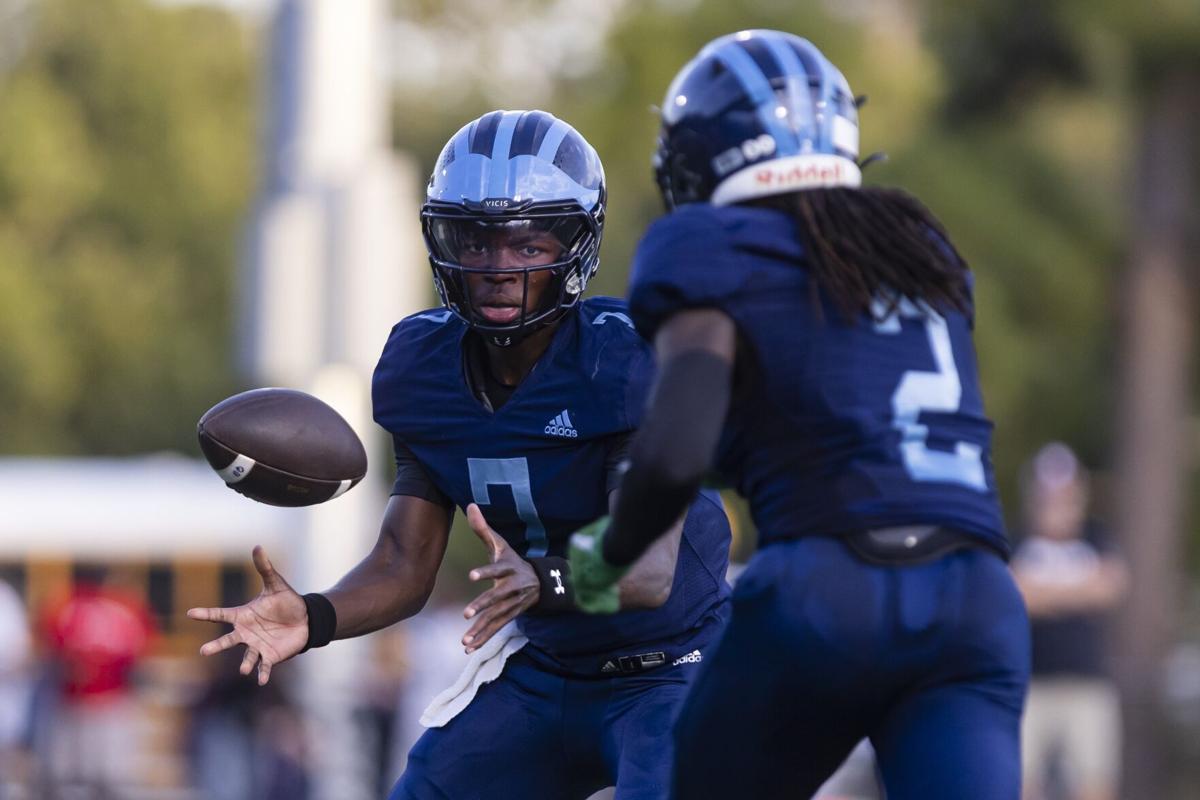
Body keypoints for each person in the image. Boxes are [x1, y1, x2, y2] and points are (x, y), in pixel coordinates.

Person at [188, 109, 732, 800]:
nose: (500, 268)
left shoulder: (625, 360)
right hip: (548, 671)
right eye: (476, 243)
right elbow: (403, 564)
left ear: (575, 242)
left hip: (676, 667)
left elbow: (648, 571)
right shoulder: (420, 368)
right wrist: (315, 616)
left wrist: (545, 580)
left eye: (528, 243)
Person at [569, 30, 1030, 799]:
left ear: (706, 157)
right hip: (974, 597)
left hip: (827, 586)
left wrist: (609, 551)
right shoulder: (918, 243)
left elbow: (679, 449)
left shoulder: (706, 243)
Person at [1011, 443, 1127, 800]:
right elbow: (1014, 593)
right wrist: (1077, 591)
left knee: (1094, 783)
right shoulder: (1016, 538)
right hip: (1030, 684)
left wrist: (1044, 594)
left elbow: (1112, 585)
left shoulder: (1096, 534)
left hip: (1087, 684)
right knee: (1019, 782)